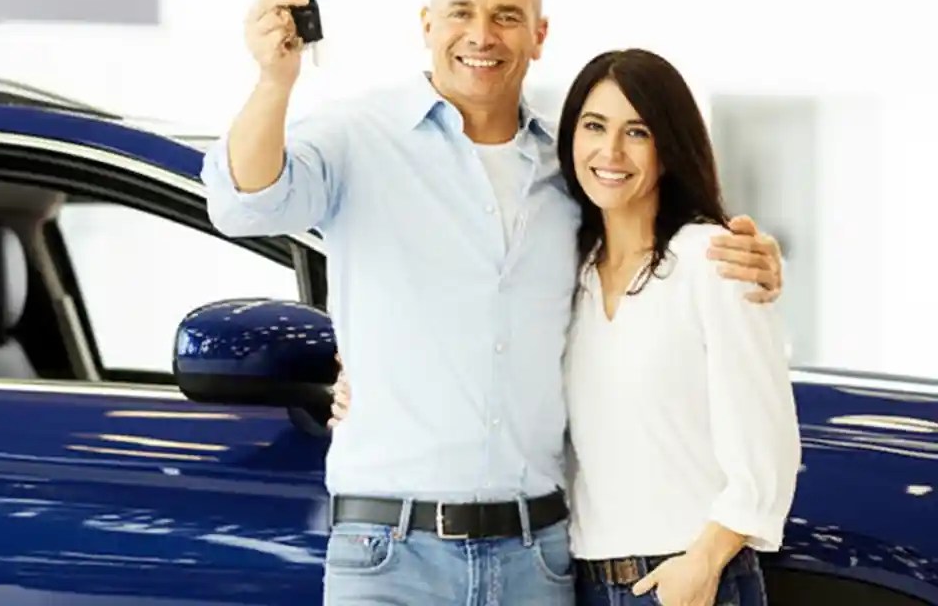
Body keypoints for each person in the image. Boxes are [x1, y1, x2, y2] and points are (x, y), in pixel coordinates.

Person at [201, 0, 785, 605]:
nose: (482, 35)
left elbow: (647, 259)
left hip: (537, 558)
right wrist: (274, 82)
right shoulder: (358, 136)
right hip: (390, 554)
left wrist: (745, 259)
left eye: (507, 16)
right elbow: (244, 204)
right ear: (427, 24)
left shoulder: (572, 171)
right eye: (461, 12)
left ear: (539, 35)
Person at [329, 48, 801, 606]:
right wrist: (372, 386)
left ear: (670, 148)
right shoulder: (569, 273)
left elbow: (767, 442)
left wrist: (702, 563)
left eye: (638, 132)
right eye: (594, 126)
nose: (611, 151)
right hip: (582, 581)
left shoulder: (713, 260)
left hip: (687, 579)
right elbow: (495, 359)